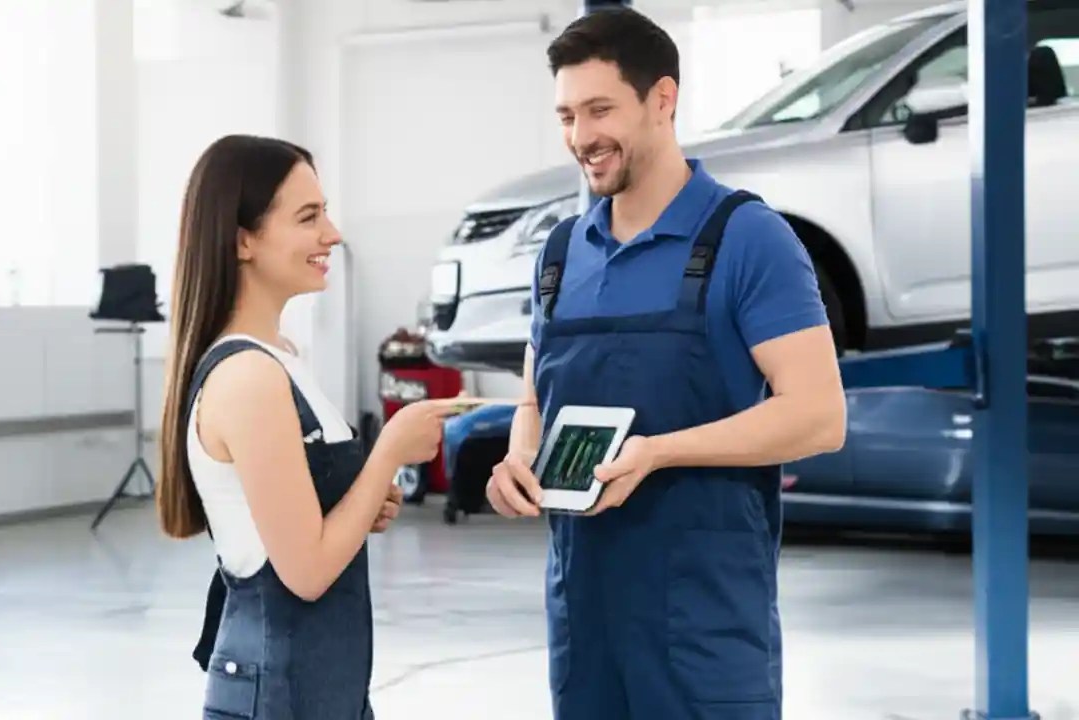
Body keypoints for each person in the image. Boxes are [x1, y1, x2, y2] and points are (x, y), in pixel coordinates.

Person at [485, 8, 847, 720]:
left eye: (600, 110)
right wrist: (520, 461)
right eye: (566, 116)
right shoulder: (559, 254)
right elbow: (534, 399)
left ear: (662, 99)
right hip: (585, 628)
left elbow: (818, 417)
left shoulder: (749, 239)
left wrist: (658, 452)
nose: (581, 137)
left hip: (705, 631)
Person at [156, 134, 456, 720]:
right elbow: (308, 572)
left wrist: (359, 500)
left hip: (321, 688)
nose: (332, 234)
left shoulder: (281, 357)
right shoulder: (249, 377)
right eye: (308, 217)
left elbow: (298, 527)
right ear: (243, 240)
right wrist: (389, 451)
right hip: (278, 694)